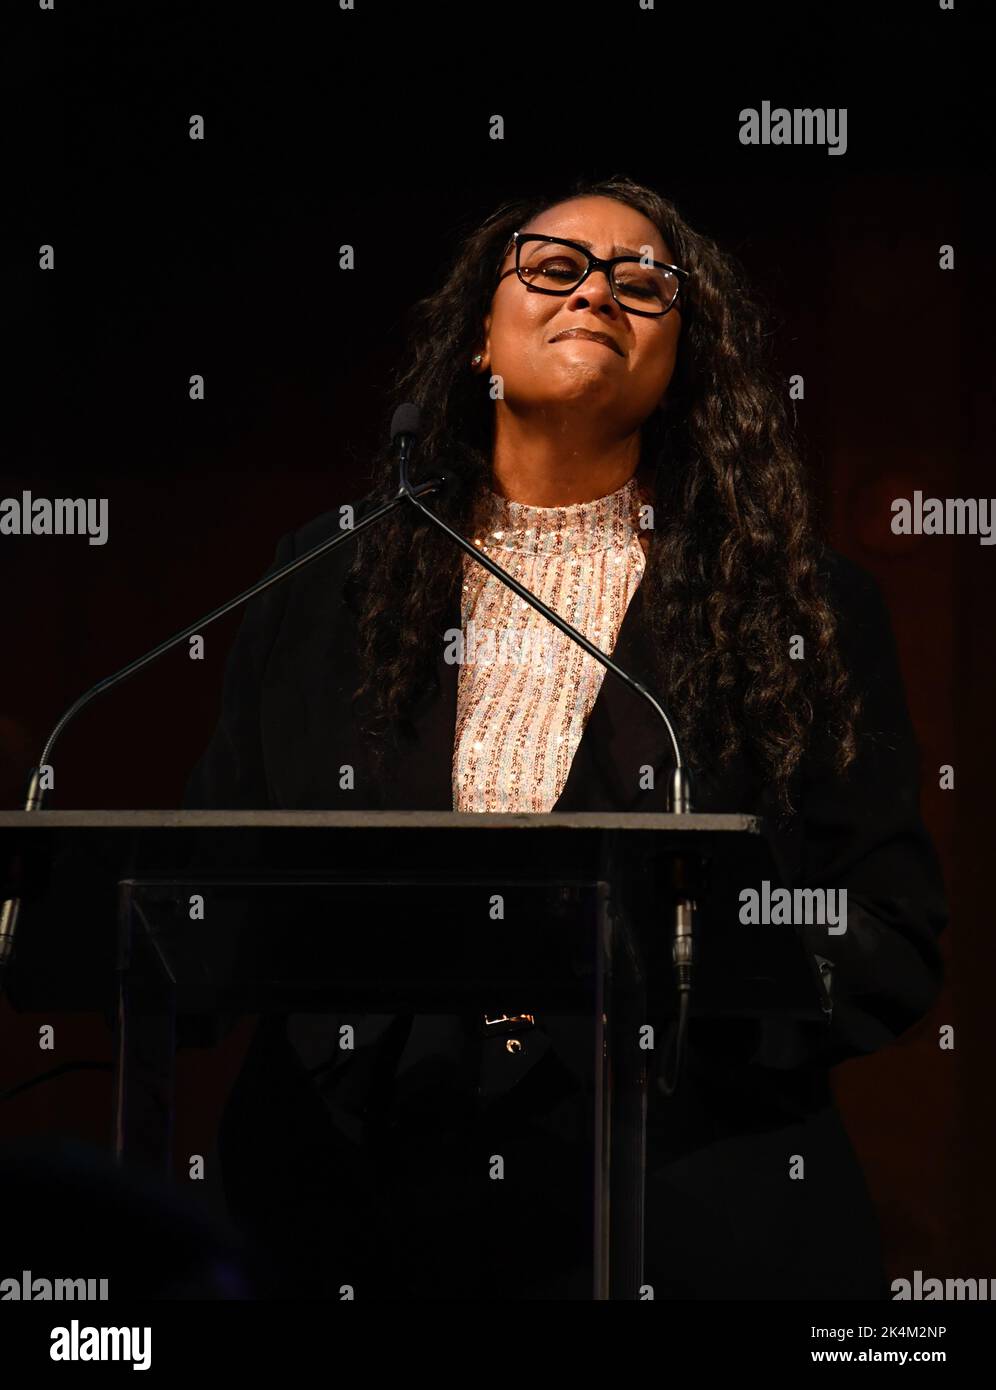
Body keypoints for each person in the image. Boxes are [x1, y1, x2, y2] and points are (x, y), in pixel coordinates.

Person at [183, 175, 947, 1300]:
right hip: (354, 1205)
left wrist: (686, 977)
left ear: (683, 360)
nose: (597, 291)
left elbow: (885, 926)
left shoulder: (794, 606)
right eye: (554, 268)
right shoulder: (324, 580)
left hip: (678, 1196)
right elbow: (209, 879)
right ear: (477, 339)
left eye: (643, 284)